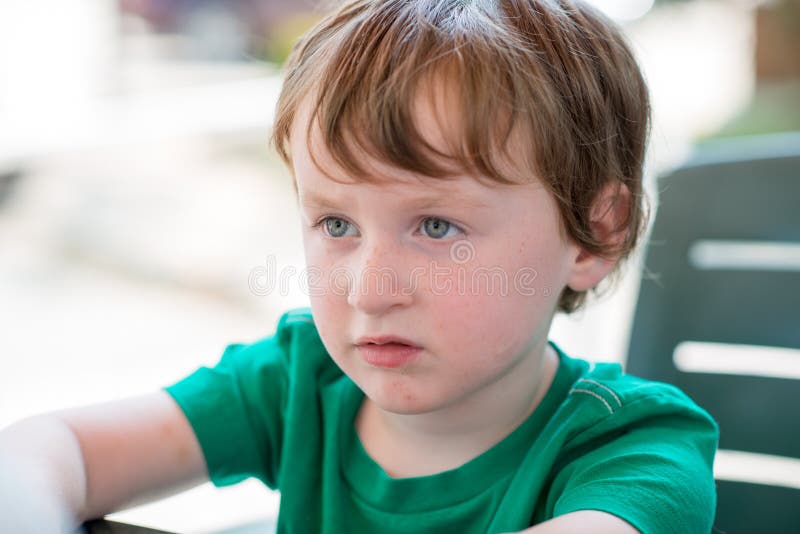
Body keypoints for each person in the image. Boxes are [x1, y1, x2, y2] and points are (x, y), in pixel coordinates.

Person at [0, 0, 719, 532]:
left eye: (437, 227)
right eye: (336, 223)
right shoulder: (296, 382)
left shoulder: (636, 453)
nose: (370, 289)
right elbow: (42, 450)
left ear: (595, 232)